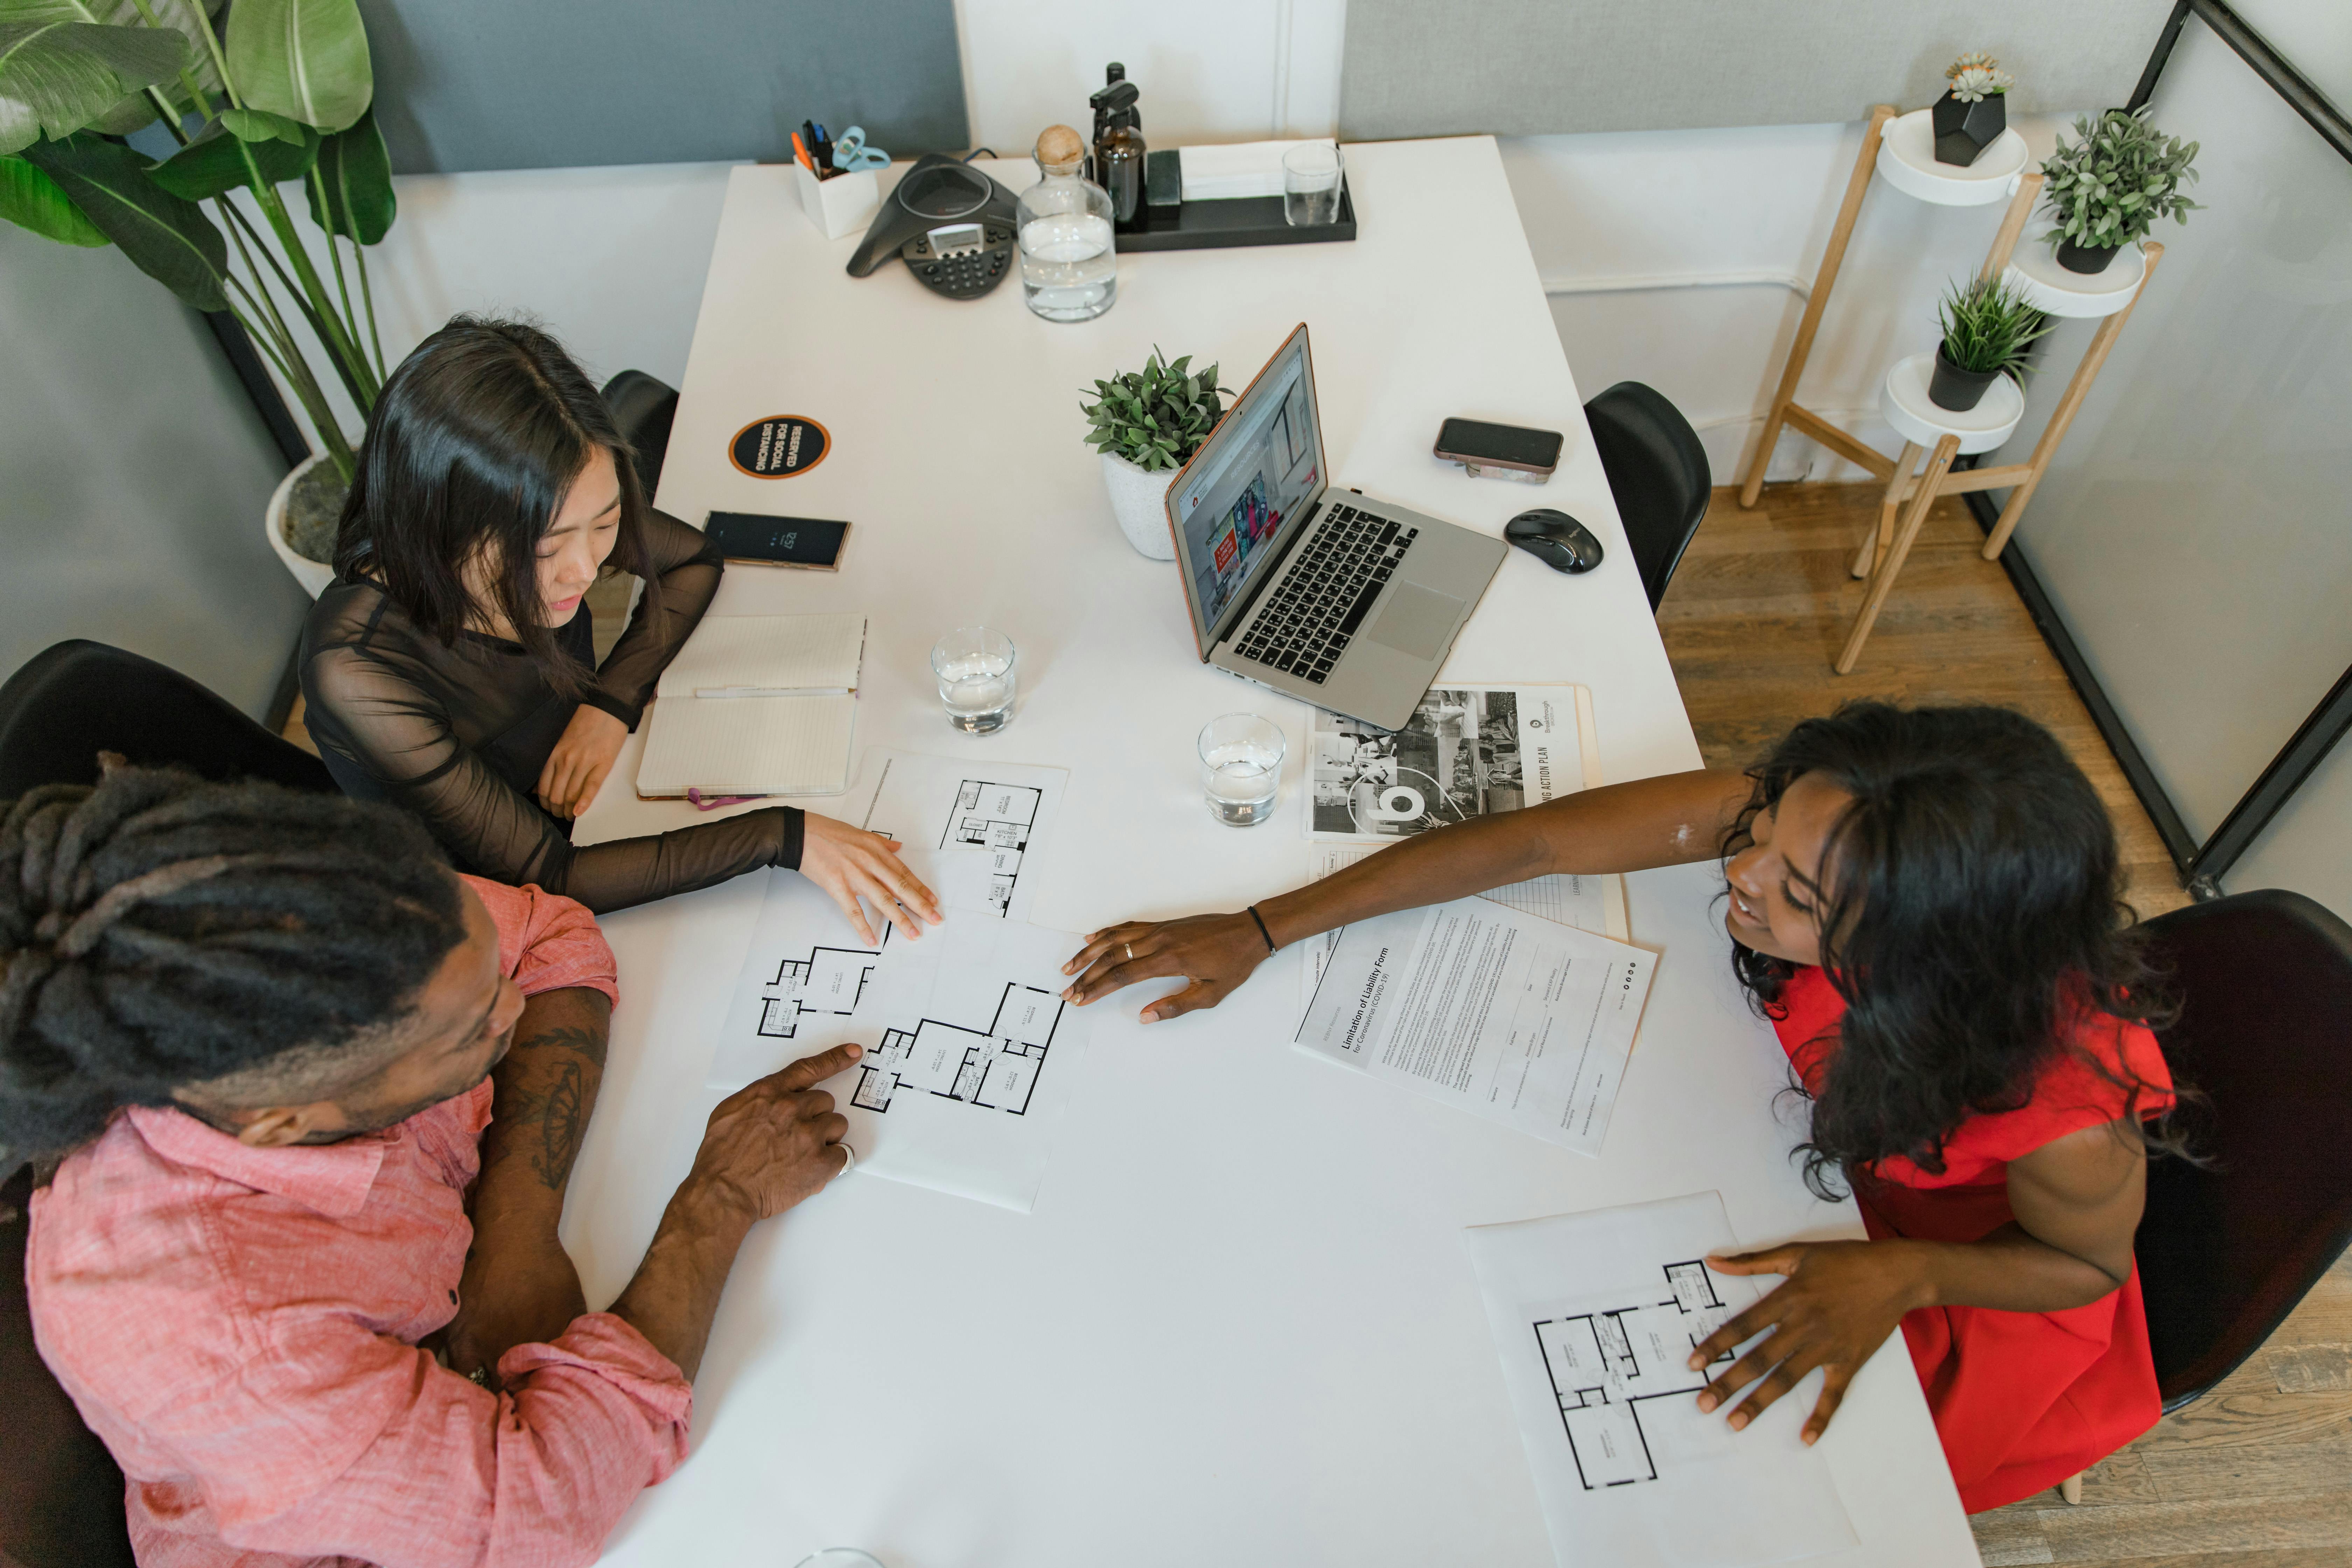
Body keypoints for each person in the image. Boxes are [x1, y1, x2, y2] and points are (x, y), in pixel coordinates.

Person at [1062, 703, 2181, 1512]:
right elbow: (1540, 840)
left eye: (1797, 896)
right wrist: (1264, 928)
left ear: (1924, 955)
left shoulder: (2067, 1108)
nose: (1741, 877)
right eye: (1764, 837)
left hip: (1953, 1279)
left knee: (1732, 1486)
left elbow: (2088, 1269)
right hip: (1795, 1160)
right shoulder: (1834, 824)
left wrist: (1910, 1273)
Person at [10, 763, 865, 1564]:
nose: (514, 1002)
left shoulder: (356, 931)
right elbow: (539, 1511)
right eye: (472, 1031)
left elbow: (547, 937)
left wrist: (514, 1236)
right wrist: (719, 1197)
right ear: (284, 1120)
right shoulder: (227, 1339)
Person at [299, 315, 938, 934]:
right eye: (547, 549)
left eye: (605, 524)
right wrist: (783, 835)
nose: (585, 570)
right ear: (443, 524)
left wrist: (608, 705)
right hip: (490, 899)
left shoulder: (560, 501)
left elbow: (692, 560)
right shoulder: (356, 672)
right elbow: (555, 877)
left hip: (598, 797)